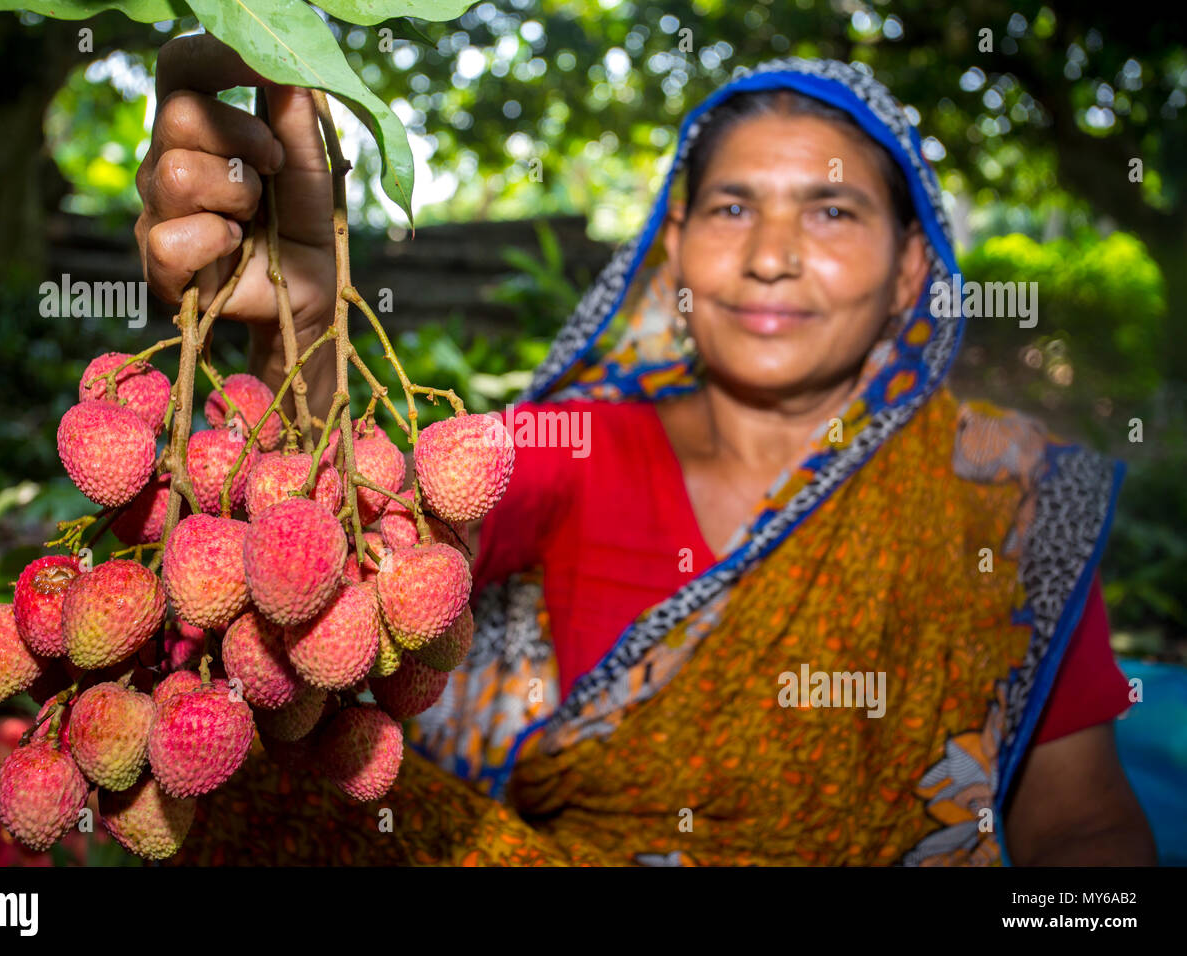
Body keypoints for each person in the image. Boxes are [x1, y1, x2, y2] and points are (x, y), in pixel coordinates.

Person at [134, 37, 1156, 866]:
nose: (768, 255)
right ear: (672, 248)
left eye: (833, 209)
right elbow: (356, 526)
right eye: (729, 207)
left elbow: (1079, 826)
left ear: (908, 270)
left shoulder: (1005, 502)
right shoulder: (579, 446)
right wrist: (303, 330)